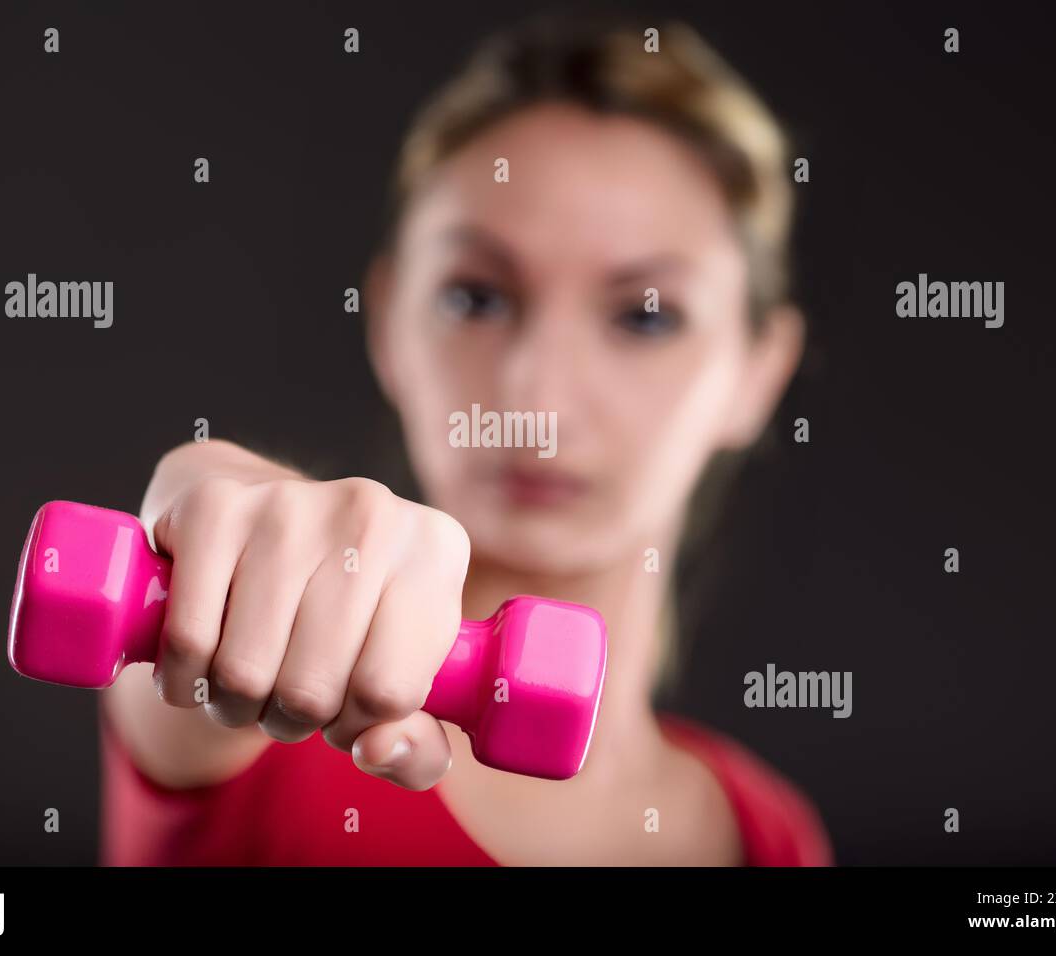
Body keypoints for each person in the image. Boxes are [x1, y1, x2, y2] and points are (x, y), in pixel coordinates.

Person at [100, 10, 832, 866]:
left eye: (646, 314)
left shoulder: (770, 833)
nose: (537, 393)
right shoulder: (247, 695)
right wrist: (218, 531)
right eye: (474, 298)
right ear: (386, 327)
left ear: (757, 373)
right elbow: (179, 670)